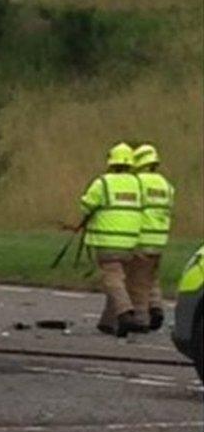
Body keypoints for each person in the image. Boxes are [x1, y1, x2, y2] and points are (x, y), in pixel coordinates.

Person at [79, 142, 144, 337]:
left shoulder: (103, 183)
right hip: (131, 241)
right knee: (118, 279)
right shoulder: (137, 183)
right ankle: (107, 322)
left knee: (112, 279)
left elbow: (86, 205)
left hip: (107, 240)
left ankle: (125, 313)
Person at [128, 144, 175, 332]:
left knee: (137, 280)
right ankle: (156, 307)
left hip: (141, 238)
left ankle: (140, 319)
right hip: (159, 239)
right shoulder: (165, 184)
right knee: (151, 275)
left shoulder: (137, 183)